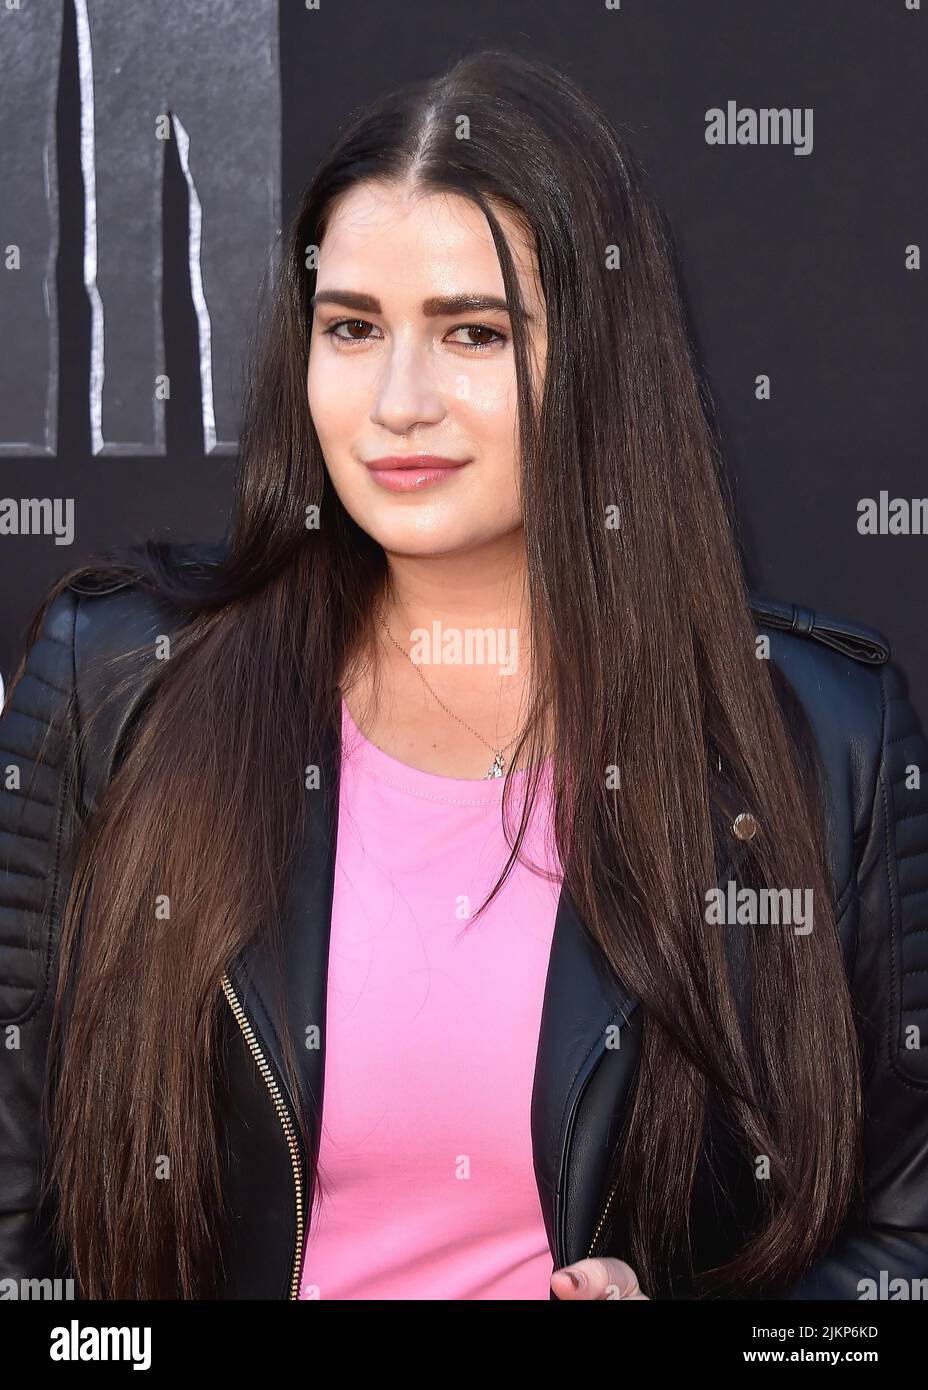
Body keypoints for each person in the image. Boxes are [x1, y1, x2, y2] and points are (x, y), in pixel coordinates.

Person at [1, 49, 927, 1302]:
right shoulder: (118, 684)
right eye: (352, 328)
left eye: (472, 333)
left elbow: (904, 1244)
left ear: (602, 360)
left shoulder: (825, 734)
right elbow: (17, 1221)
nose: (397, 401)